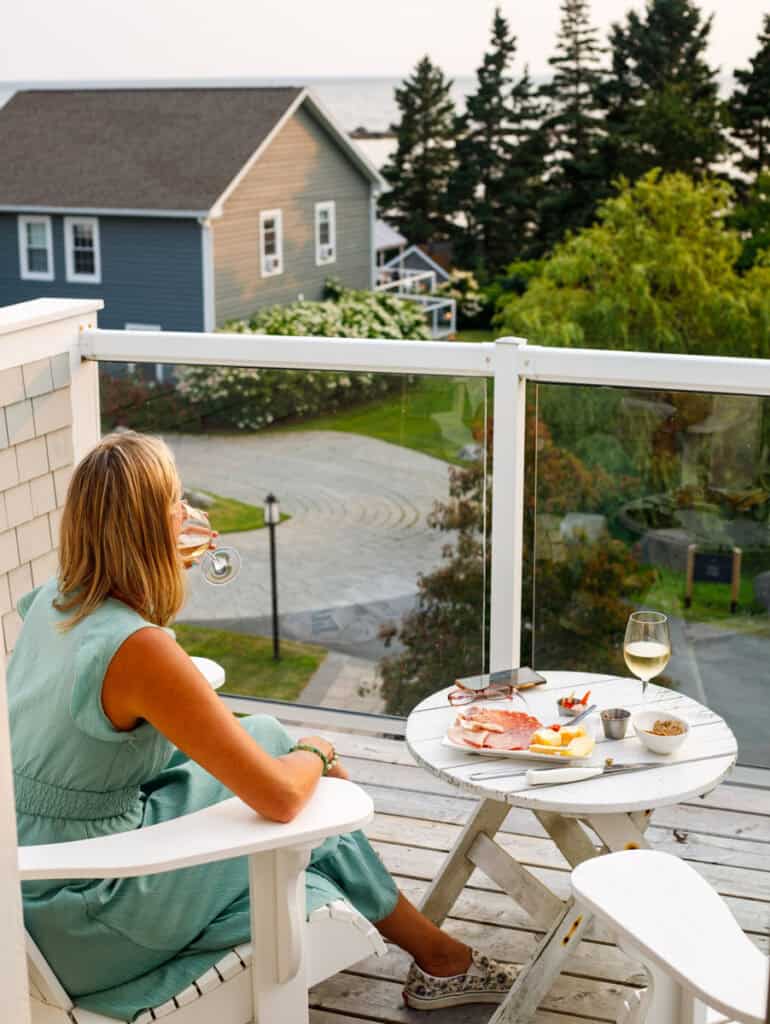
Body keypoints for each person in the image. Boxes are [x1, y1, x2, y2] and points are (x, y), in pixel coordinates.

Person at [9, 431, 518, 1019]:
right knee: (296, 793)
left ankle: (435, 953)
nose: (189, 513)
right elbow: (276, 796)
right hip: (89, 906)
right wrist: (319, 753)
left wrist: (157, 566)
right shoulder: (138, 647)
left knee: (270, 737)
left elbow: (130, 697)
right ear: (148, 528)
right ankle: (438, 955)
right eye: (175, 501)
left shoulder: (56, 600)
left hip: (31, 881)